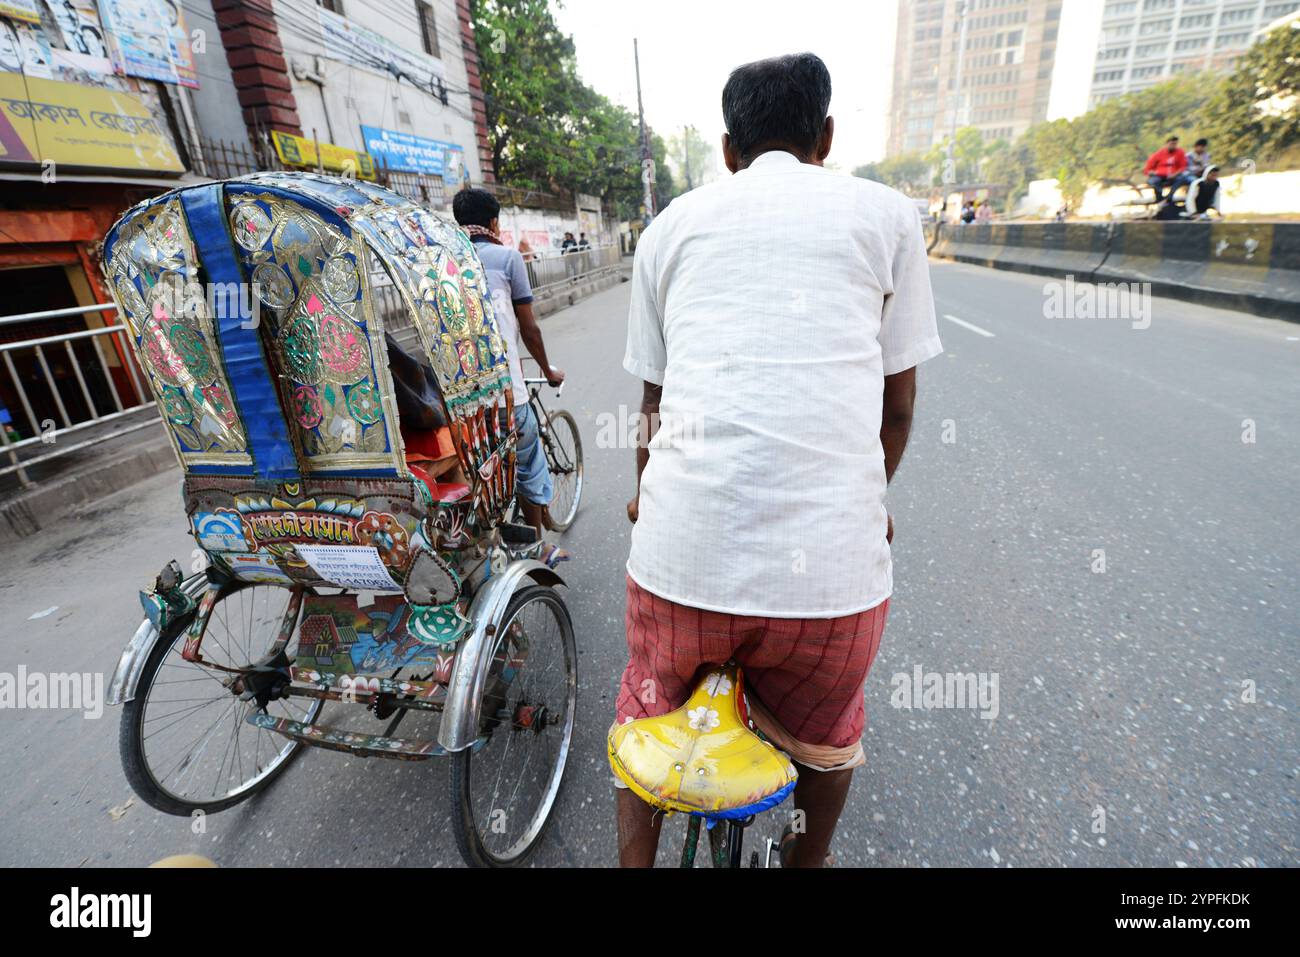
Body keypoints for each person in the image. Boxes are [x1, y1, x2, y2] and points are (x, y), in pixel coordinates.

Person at [617, 52, 941, 867]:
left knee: (644, 718)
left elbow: (652, 412)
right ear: (825, 136)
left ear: (729, 149)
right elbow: (895, 410)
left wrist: (645, 496)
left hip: (677, 568)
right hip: (830, 592)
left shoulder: (668, 229)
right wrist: (866, 494)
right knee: (828, 744)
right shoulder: (888, 216)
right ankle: (807, 861)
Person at [453, 188, 570, 566]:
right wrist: (549, 370)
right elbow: (529, 329)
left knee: (482, 471)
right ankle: (537, 549)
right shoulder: (507, 258)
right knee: (530, 465)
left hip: (462, 402)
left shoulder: (444, 262)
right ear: (492, 223)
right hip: (507, 397)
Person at [1143, 135, 1187, 205]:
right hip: (1159, 175)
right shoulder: (1158, 154)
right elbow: (1147, 169)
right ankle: (1160, 199)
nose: (1173, 146)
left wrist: (1174, 174)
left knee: (1182, 178)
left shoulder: (1180, 152)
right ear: (1167, 144)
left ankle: (1169, 197)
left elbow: (1183, 167)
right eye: (1171, 144)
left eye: (1175, 144)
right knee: (1153, 181)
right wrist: (1151, 172)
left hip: (1174, 175)